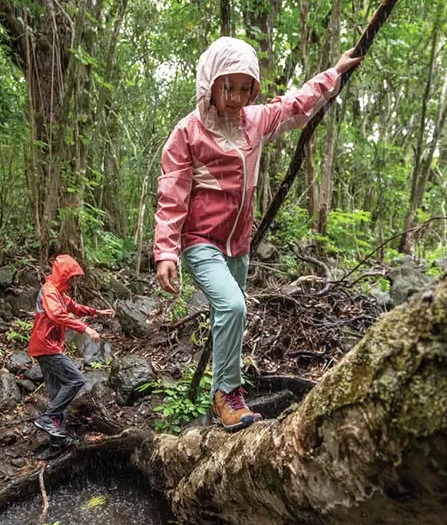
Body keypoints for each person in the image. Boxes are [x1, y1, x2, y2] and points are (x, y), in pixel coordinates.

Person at [154, 36, 362, 432]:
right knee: (232, 307)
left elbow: (297, 105)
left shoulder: (254, 122)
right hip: (200, 242)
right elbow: (172, 192)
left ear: (254, 88)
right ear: (210, 84)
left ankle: (218, 399)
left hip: (239, 245)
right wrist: (166, 250)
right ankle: (227, 394)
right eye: (227, 86)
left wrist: (334, 72)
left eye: (244, 87)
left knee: (226, 313)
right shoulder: (189, 133)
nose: (234, 97)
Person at [28, 254, 114, 444]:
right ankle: (47, 419)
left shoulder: (58, 293)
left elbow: (73, 307)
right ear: (63, 275)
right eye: (71, 276)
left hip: (47, 347)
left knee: (57, 393)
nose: (73, 281)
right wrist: (85, 328)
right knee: (75, 380)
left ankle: (58, 439)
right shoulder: (49, 291)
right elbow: (58, 315)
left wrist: (96, 312)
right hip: (46, 347)